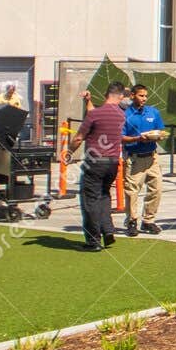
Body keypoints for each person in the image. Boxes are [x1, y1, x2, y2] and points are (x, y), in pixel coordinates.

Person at [73, 81, 126, 250]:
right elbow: (96, 114)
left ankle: (93, 240)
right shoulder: (121, 115)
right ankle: (108, 230)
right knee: (104, 196)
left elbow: (78, 138)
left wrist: (68, 152)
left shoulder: (95, 114)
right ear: (121, 96)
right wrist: (88, 101)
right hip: (112, 163)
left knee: (90, 200)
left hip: (95, 162)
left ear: (105, 94)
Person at [121, 83, 166, 236]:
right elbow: (121, 137)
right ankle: (131, 221)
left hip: (152, 157)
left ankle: (148, 221)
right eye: (141, 95)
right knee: (132, 191)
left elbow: (161, 131)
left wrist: (158, 136)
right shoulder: (126, 115)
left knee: (156, 189)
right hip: (135, 158)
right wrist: (137, 139)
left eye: (146, 96)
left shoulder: (153, 112)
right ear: (132, 96)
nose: (144, 98)